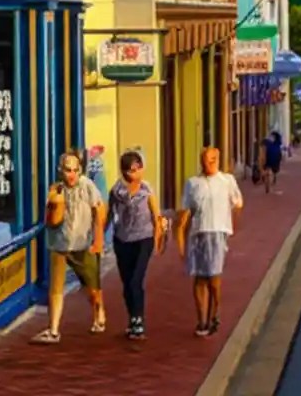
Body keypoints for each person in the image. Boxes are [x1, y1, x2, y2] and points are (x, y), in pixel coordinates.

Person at [31, 151, 106, 344]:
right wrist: (53, 203)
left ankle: (99, 313)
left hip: (82, 244)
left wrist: (98, 240)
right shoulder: (56, 189)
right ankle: (53, 330)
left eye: (74, 170)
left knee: (92, 288)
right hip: (59, 243)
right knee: (56, 288)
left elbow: (99, 210)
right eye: (67, 170)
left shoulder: (87, 185)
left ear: (80, 170)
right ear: (60, 170)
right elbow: (50, 221)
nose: (71, 174)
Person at [176, 147, 243, 337]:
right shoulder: (193, 183)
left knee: (214, 277)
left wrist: (231, 226)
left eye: (213, 159)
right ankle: (202, 320)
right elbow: (184, 210)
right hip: (198, 233)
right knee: (199, 277)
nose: (210, 162)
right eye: (206, 159)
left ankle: (215, 312)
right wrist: (180, 237)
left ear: (218, 159)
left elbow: (238, 203)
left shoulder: (227, 180)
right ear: (201, 161)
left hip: (217, 233)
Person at [107, 150, 165, 340]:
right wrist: (99, 237)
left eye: (136, 169)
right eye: (129, 170)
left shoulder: (147, 190)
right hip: (122, 239)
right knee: (126, 282)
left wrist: (157, 240)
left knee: (136, 280)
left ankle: (139, 319)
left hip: (144, 239)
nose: (133, 174)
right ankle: (132, 317)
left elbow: (156, 216)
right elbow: (108, 215)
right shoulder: (116, 191)